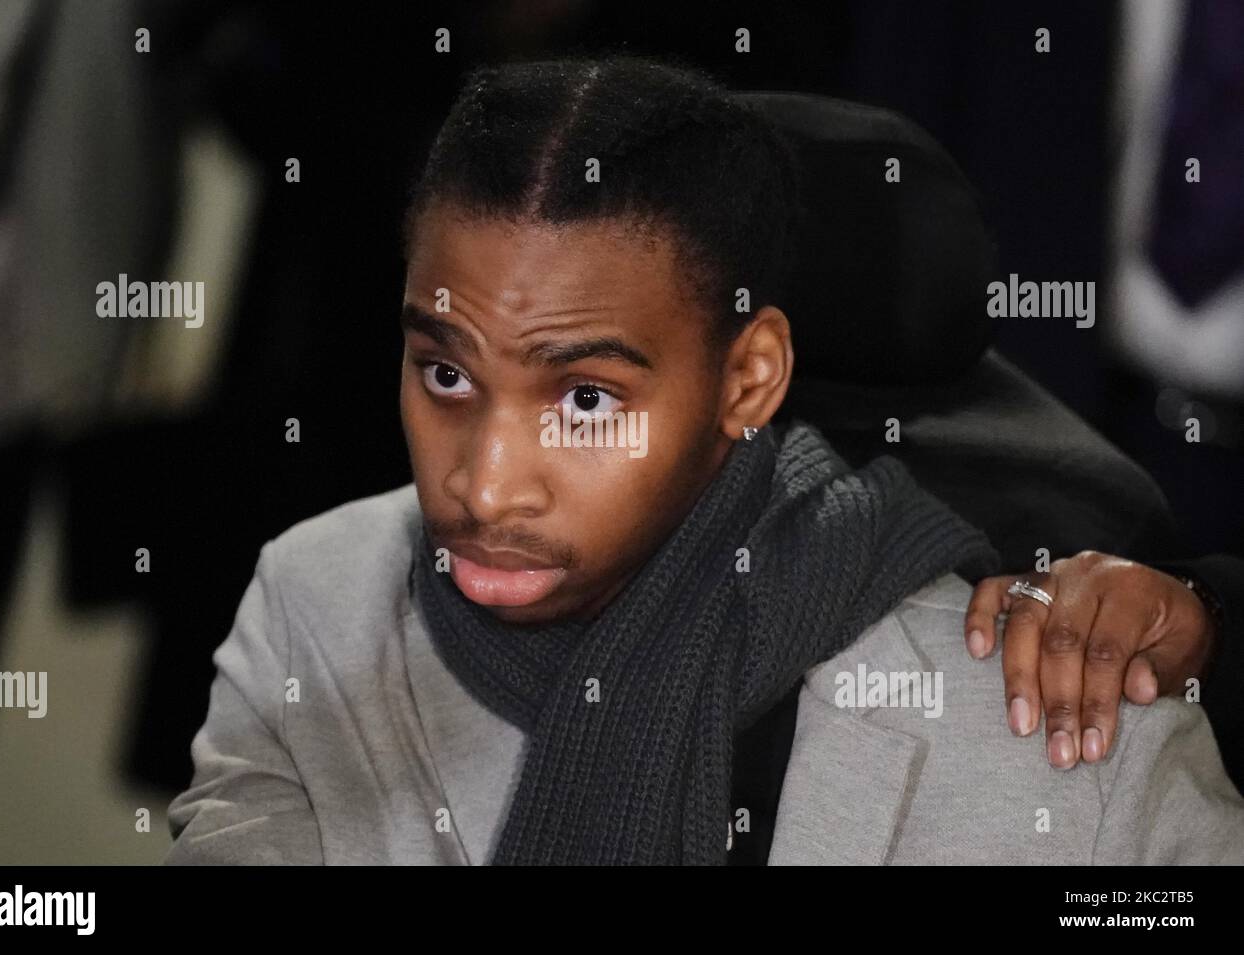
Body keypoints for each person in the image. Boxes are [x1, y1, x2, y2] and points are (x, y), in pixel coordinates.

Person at [166, 55, 1243, 865]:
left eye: (584, 398)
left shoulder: (1068, 729)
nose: (484, 483)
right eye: (445, 374)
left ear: (748, 379)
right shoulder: (312, 604)